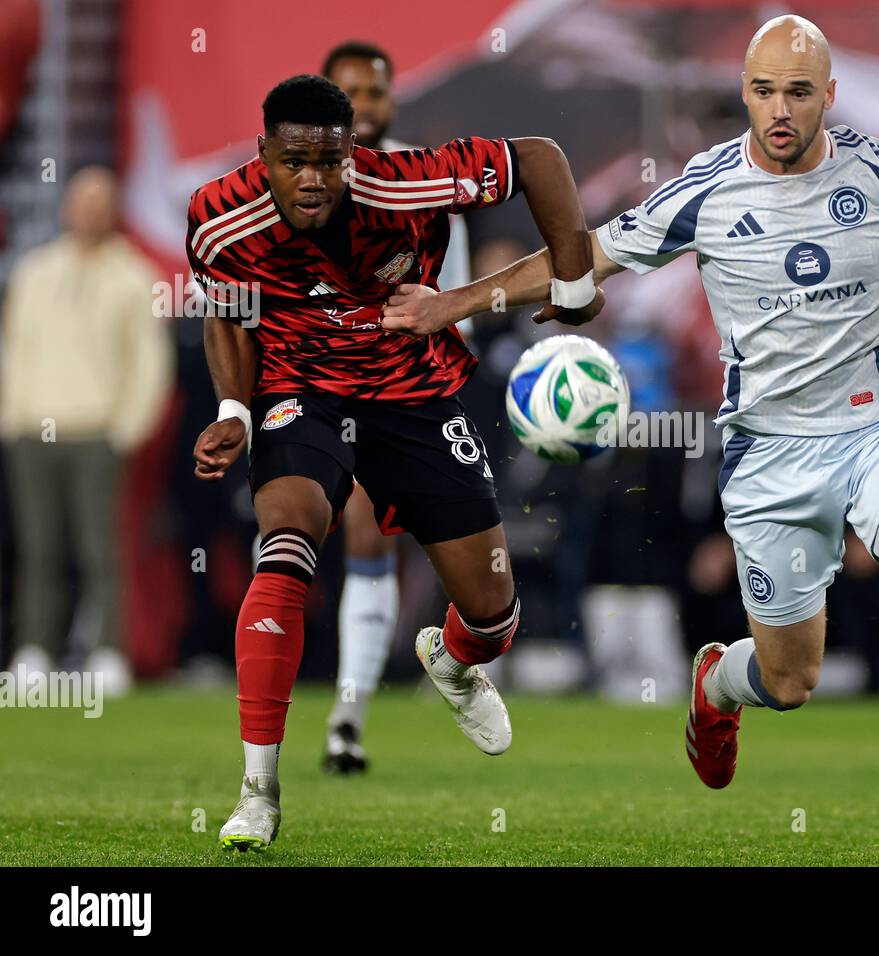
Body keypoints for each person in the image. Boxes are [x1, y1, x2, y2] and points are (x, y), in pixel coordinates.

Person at [386, 15, 879, 858]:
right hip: (768, 459)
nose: (779, 108)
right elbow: (580, 256)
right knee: (790, 678)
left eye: (798, 92)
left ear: (828, 97)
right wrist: (450, 303)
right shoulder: (703, 190)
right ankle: (718, 685)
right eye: (765, 90)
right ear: (745, 92)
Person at [187, 74, 599, 850]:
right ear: (263, 152)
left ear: (352, 154)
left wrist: (574, 280)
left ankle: (450, 658)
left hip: (412, 390)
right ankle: (258, 790)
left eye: (329, 161)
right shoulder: (217, 216)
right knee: (288, 540)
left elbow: (539, 159)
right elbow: (231, 312)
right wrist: (235, 410)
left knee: (493, 613)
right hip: (300, 389)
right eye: (293, 160)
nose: (312, 179)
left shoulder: (407, 182)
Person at [316, 39, 475, 775]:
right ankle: (346, 716)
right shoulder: (297, 191)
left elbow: (461, 319)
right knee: (361, 540)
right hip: (325, 400)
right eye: (348, 94)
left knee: (468, 564)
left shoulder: (431, 188)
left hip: (420, 399)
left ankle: (460, 663)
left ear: (392, 100)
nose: (363, 108)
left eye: (374, 94)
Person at [0, 166, 173, 694]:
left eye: (100, 202)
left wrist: (126, 428)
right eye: (81, 201)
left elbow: (149, 363)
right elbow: (13, 349)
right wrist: (11, 416)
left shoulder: (133, 276)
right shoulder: (35, 271)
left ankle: (107, 650)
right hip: (33, 429)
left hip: (97, 431)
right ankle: (35, 649)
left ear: (113, 211)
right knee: (39, 546)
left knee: (102, 548)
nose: (88, 212)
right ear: (66, 208)